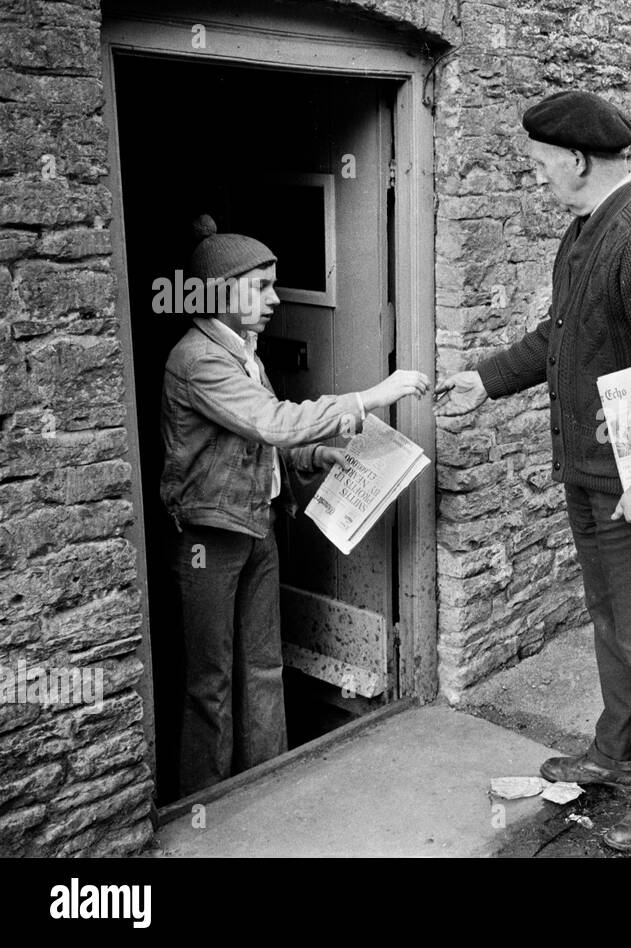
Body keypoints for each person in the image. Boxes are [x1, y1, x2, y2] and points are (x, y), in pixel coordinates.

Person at [437, 90, 631, 851]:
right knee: (614, 627)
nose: (535, 177)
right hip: (595, 477)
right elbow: (558, 337)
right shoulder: (586, 231)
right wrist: (487, 378)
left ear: (578, 159)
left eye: (539, 165)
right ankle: (619, 757)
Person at [161, 216, 430, 796]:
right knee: (210, 682)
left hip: (257, 525)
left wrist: (314, 459)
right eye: (259, 287)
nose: (274, 298)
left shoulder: (241, 351)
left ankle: (266, 786)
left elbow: (257, 440)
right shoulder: (197, 359)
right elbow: (270, 422)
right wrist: (369, 397)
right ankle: (204, 802)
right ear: (216, 293)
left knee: (262, 667)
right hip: (211, 538)